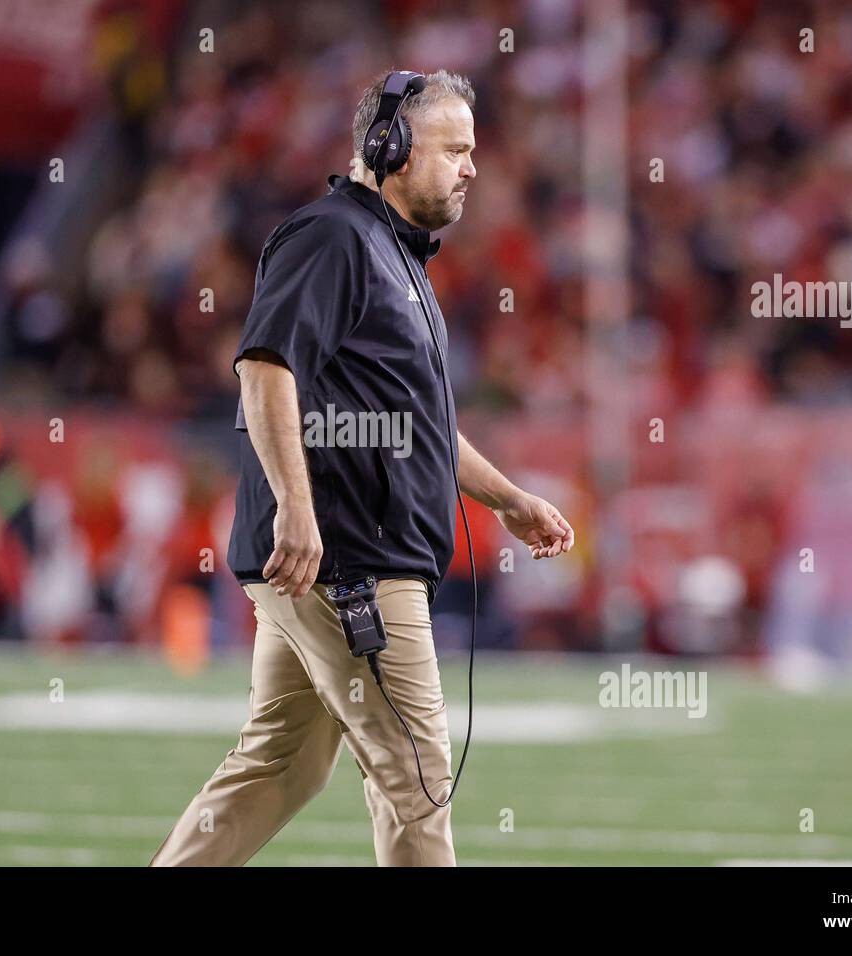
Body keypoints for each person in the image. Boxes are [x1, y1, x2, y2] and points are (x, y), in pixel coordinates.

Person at [150, 69, 574, 867]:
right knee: (418, 780)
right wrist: (297, 511)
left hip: (333, 564)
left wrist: (508, 499)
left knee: (280, 767)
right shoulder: (335, 237)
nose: (471, 167)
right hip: (352, 563)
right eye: (455, 148)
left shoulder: (390, 254)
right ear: (392, 148)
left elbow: (423, 427)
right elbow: (265, 370)